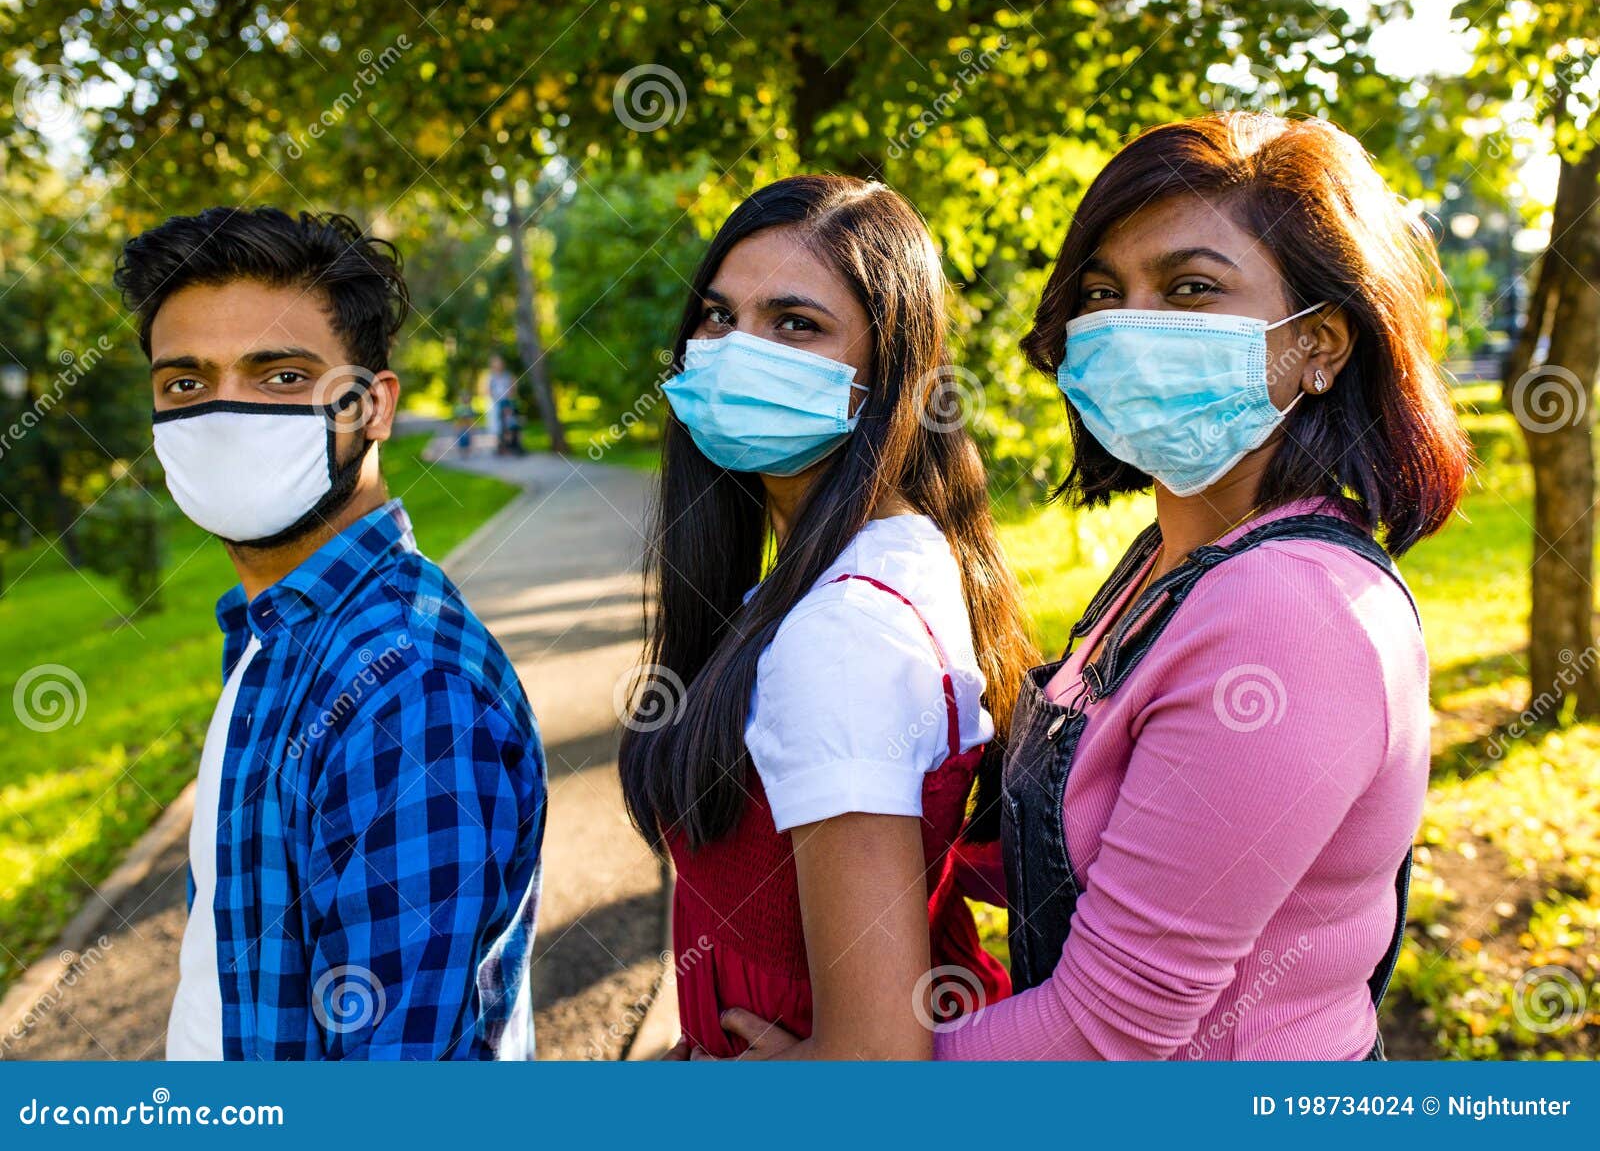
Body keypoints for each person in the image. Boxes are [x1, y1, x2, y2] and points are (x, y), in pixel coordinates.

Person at [719, 114, 1472, 1061]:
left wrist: (838, 1079)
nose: (1130, 323)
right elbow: (1090, 848)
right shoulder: (1165, 567)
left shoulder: (1286, 613)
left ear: (1320, 344)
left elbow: (1104, 1032)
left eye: (1190, 288)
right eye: (1104, 292)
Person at [618, 175, 1036, 1059]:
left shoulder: (841, 636)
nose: (737, 349)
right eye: (718, 317)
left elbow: (874, 1057)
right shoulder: (881, 557)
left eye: (794, 323)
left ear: (887, 375)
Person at [116, 207, 547, 1060]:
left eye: (281, 376)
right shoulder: (277, 634)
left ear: (373, 406)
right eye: (186, 384)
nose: (226, 413)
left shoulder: (407, 691)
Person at [485, 353, 518, 454]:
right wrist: (496, 398)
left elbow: (513, 389)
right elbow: (488, 390)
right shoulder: (490, 377)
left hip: (507, 403)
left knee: (509, 424)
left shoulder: (507, 376)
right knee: (497, 426)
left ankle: (509, 446)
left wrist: (508, 398)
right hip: (495, 403)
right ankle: (499, 447)